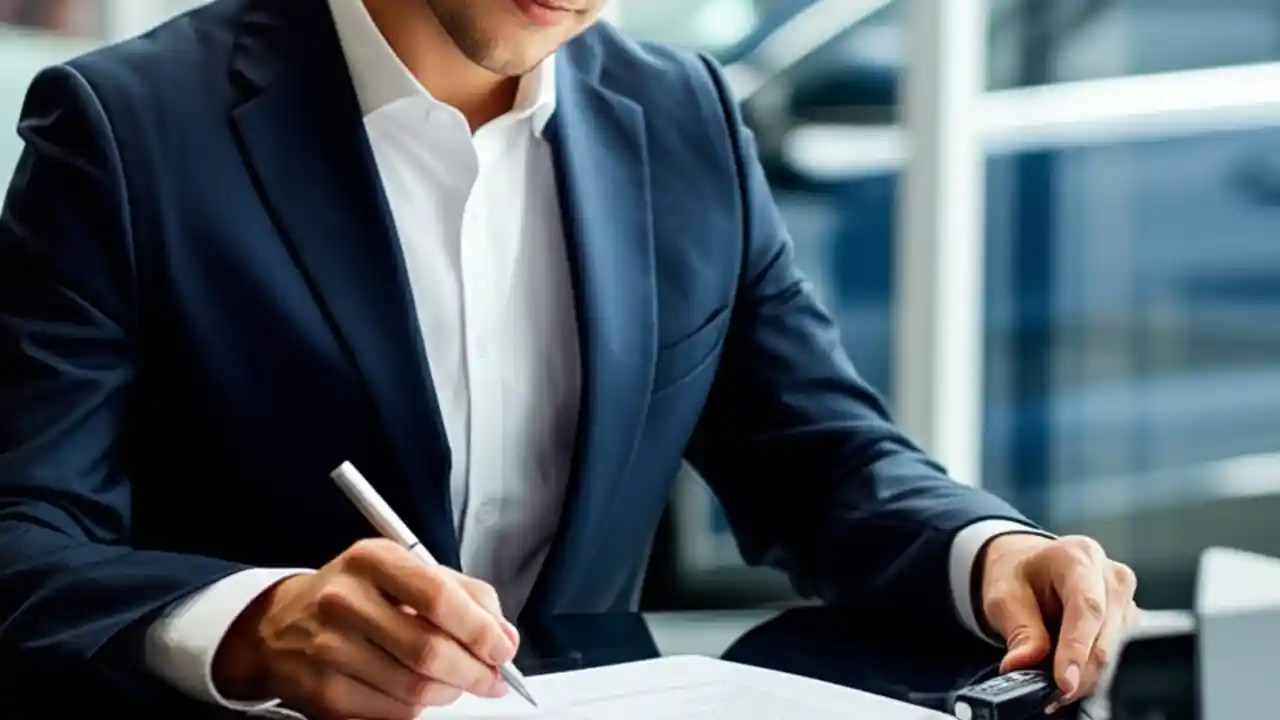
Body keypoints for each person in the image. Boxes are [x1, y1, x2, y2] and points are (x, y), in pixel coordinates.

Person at [0, 0, 1138, 717]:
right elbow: (23, 536)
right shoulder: (127, 126)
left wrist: (985, 551)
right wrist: (257, 626)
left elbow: (819, 453)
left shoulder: (683, 111)